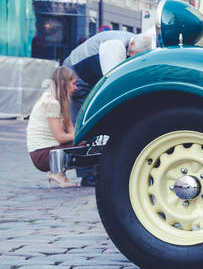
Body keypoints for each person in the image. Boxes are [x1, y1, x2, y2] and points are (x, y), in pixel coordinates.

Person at [62, 29, 153, 186]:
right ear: (131, 43)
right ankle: (88, 175)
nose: (131, 58)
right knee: (83, 125)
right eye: (131, 54)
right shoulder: (115, 46)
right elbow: (112, 83)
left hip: (90, 75)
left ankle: (96, 170)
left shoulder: (131, 45)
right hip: (76, 76)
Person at [27, 67, 79, 188]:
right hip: (41, 155)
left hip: (49, 151)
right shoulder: (51, 103)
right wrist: (84, 136)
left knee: (83, 143)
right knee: (82, 146)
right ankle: (57, 172)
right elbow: (60, 137)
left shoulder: (59, 101)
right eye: (74, 84)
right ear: (63, 83)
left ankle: (58, 172)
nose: (76, 88)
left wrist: (81, 137)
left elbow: (71, 130)